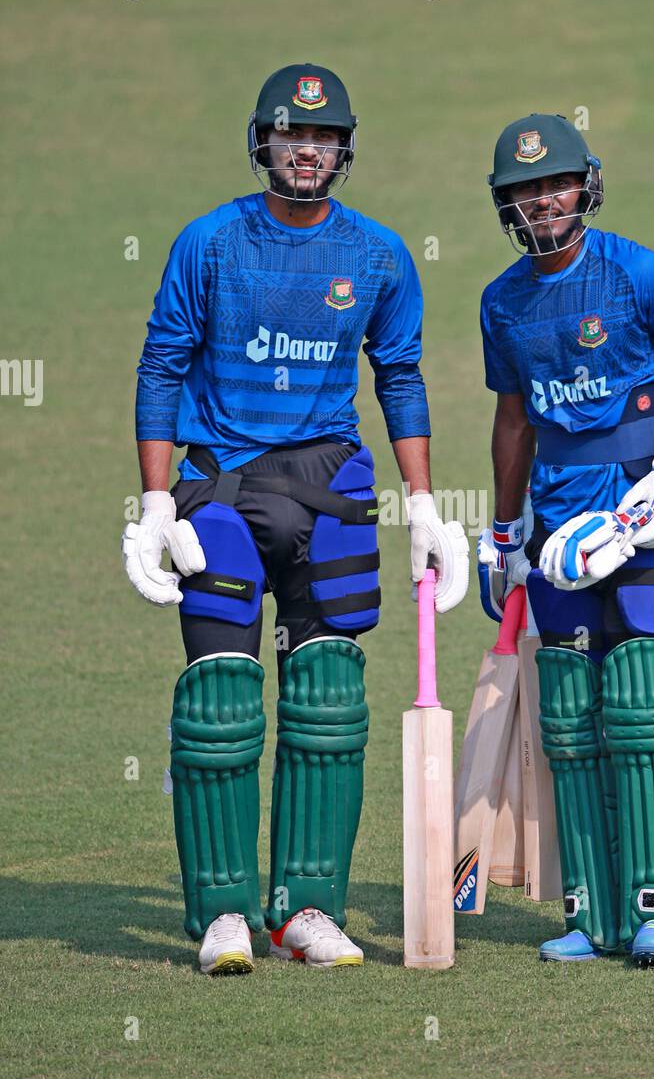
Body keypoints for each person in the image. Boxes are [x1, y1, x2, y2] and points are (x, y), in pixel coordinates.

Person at [122, 62, 468, 975]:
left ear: (344, 150)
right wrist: (155, 502)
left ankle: (306, 911)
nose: (306, 149)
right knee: (222, 703)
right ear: (262, 142)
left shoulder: (379, 255)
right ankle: (225, 916)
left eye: (322, 138)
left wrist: (425, 505)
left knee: (328, 701)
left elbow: (400, 378)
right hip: (222, 485)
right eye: (290, 135)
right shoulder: (208, 242)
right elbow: (160, 366)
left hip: (331, 486)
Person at [477, 113, 654, 966]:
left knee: (648, 700)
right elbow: (513, 421)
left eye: (555, 184)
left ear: (585, 184)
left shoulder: (637, 271)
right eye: (524, 191)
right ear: (505, 204)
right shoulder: (502, 302)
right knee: (573, 718)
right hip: (558, 530)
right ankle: (592, 912)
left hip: (650, 514)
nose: (542, 201)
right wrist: (503, 533)